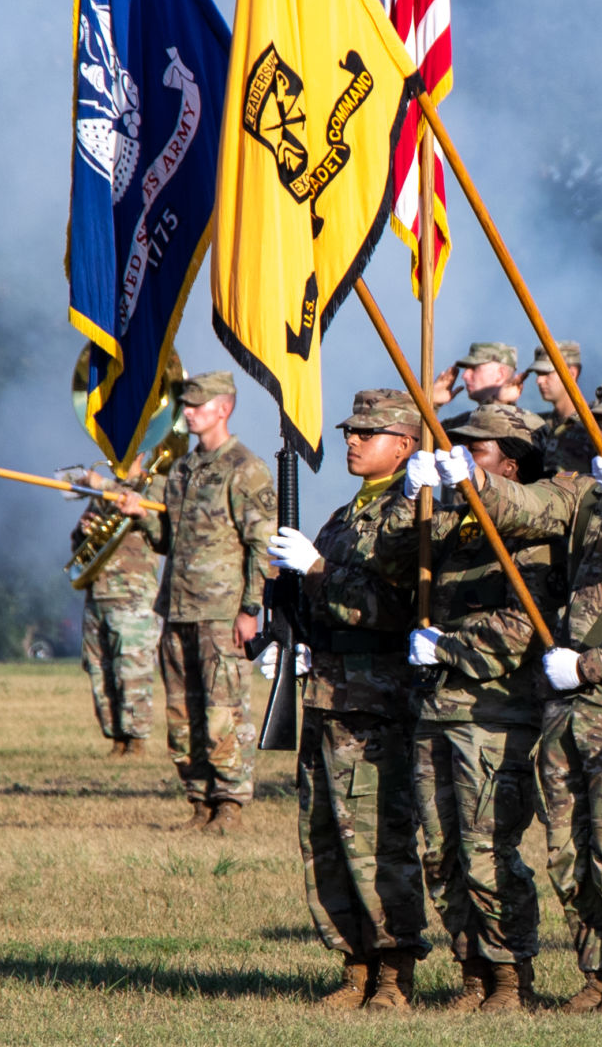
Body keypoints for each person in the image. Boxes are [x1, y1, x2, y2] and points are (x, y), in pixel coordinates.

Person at [458, 369, 602, 1015]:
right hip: (567, 701)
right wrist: (474, 480)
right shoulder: (588, 495)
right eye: (601, 419)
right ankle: (597, 967)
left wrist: (590, 664)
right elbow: (534, 505)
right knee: (567, 848)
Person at [391, 402, 559, 1013]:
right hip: (438, 707)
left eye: (476, 451)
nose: (460, 458)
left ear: (508, 466)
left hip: (494, 709)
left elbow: (524, 626)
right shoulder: (451, 522)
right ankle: (471, 972)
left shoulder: (530, 532)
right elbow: (393, 566)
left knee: (489, 849)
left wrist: (451, 648)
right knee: (441, 851)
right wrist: (410, 503)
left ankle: (510, 977)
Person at [266, 390, 428, 1012]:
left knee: (376, 836)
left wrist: (316, 573)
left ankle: (393, 972)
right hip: (328, 694)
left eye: (369, 432)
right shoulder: (345, 513)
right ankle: (354, 962)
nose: (352, 441)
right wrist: (293, 629)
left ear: (405, 444)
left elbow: (393, 607)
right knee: (326, 836)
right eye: (350, 430)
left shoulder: (410, 511)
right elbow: (325, 602)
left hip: (375, 701)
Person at [155, 370, 275, 833]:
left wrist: (250, 610)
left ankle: (229, 804)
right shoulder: (182, 469)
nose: (188, 412)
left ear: (224, 408)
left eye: (198, 405)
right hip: (179, 608)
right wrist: (138, 517)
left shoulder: (245, 468)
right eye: (186, 405)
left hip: (223, 612)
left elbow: (262, 546)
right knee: (182, 713)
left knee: (223, 710)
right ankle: (199, 800)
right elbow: (172, 540)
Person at [74, 454, 165, 758]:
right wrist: (83, 531)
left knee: (132, 670)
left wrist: (102, 484)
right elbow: (81, 544)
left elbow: (164, 531)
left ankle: (136, 740)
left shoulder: (152, 487)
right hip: (98, 593)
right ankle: (116, 739)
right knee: (100, 670)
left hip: (133, 596)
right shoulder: (102, 494)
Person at [529, 342, 594, 474]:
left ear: (571, 373)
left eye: (546, 373)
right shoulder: (539, 425)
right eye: (538, 374)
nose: (539, 380)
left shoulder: (594, 425)